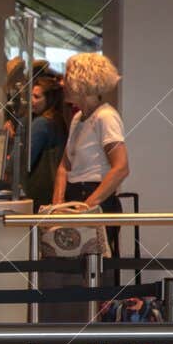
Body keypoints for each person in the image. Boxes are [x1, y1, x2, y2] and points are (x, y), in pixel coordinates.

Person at [52, 53, 128, 254]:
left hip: (96, 199)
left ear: (81, 81)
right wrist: (57, 205)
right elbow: (64, 166)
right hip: (76, 198)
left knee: (90, 267)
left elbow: (121, 168)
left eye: (66, 77)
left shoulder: (106, 117)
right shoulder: (78, 118)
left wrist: (87, 207)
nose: (62, 83)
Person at [23, 73, 69, 208]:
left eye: (37, 97)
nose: (32, 100)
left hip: (38, 193)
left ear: (50, 99)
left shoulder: (41, 123)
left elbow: (25, 161)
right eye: (31, 95)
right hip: (53, 191)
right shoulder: (60, 120)